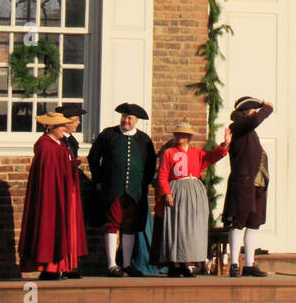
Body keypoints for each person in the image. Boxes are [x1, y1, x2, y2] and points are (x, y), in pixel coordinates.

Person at [88, 102, 156, 277]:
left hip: (135, 191)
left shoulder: (144, 140)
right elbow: (93, 157)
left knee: (130, 226)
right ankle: (112, 264)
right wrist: (99, 180)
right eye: (124, 116)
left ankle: (126, 264)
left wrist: (143, 184)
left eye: (130, 118)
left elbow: (150, 165)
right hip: (113, 189)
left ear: (136, 120)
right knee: (112, 223)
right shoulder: (108, 135)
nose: (126, 120)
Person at [155, 121, 232, 276]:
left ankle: (187, 262)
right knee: (177, 226)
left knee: (190, 227)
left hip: (193, 192)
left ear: (189, 137)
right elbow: (162, 175)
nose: (180, 137)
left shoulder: (196, 153)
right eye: (178, 134)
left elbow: (211, 158)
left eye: (183, 135)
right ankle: (174, 264)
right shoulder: (169, 153)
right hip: (177, 190)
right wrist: (167, 193)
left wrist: (225, 145)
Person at [18, 112, 88, 280]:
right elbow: (49, 175)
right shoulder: (46, 146)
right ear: (51, 127)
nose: (65, 128)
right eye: (62, 125)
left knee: (64, 228)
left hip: (65, 193)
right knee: (50, 228)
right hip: (51, 196)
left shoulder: (59, 144)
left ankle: (62, 267)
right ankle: (49, 268)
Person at [222, 96, 273, 277]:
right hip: (243, 183)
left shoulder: (248, 129)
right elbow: (255, 120)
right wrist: (267, 108)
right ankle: (234, 263)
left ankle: (249, 264)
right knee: (238, 222)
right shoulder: (238, 126)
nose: (255, 114)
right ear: (245, 112)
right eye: (253, 111)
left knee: (253, 224)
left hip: (258, 183)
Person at [54, 103, 88, 278]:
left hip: (72, 186)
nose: (78, 124)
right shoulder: (58, 141)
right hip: (63, 186)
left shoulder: (71, 141)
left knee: (73, 227)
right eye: (75, 120)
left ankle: (71, 264)